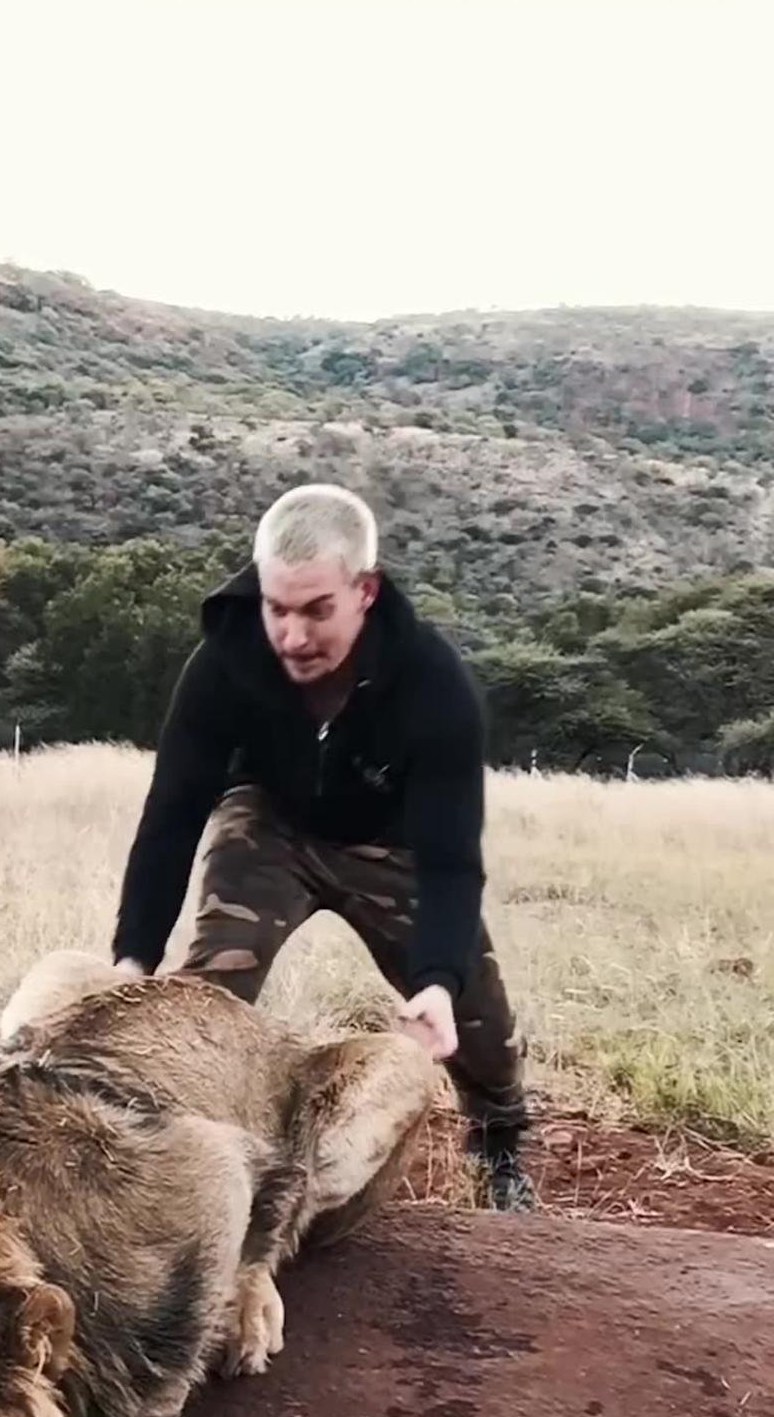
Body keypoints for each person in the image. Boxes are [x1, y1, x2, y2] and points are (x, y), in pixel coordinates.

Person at [110, 482, 534, 1211]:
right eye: (277, 608)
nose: (293, 636)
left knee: (478, 1019)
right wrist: (131, 956)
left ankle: (499, 1141)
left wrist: (435, 977)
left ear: (364, 591)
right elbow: (173, 813)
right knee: (208, 991)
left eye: (316, 610)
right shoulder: (221, 665)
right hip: (270, 825)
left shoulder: (434, 685)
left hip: (390, 844)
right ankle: (177, 1152)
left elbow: (449, 857)